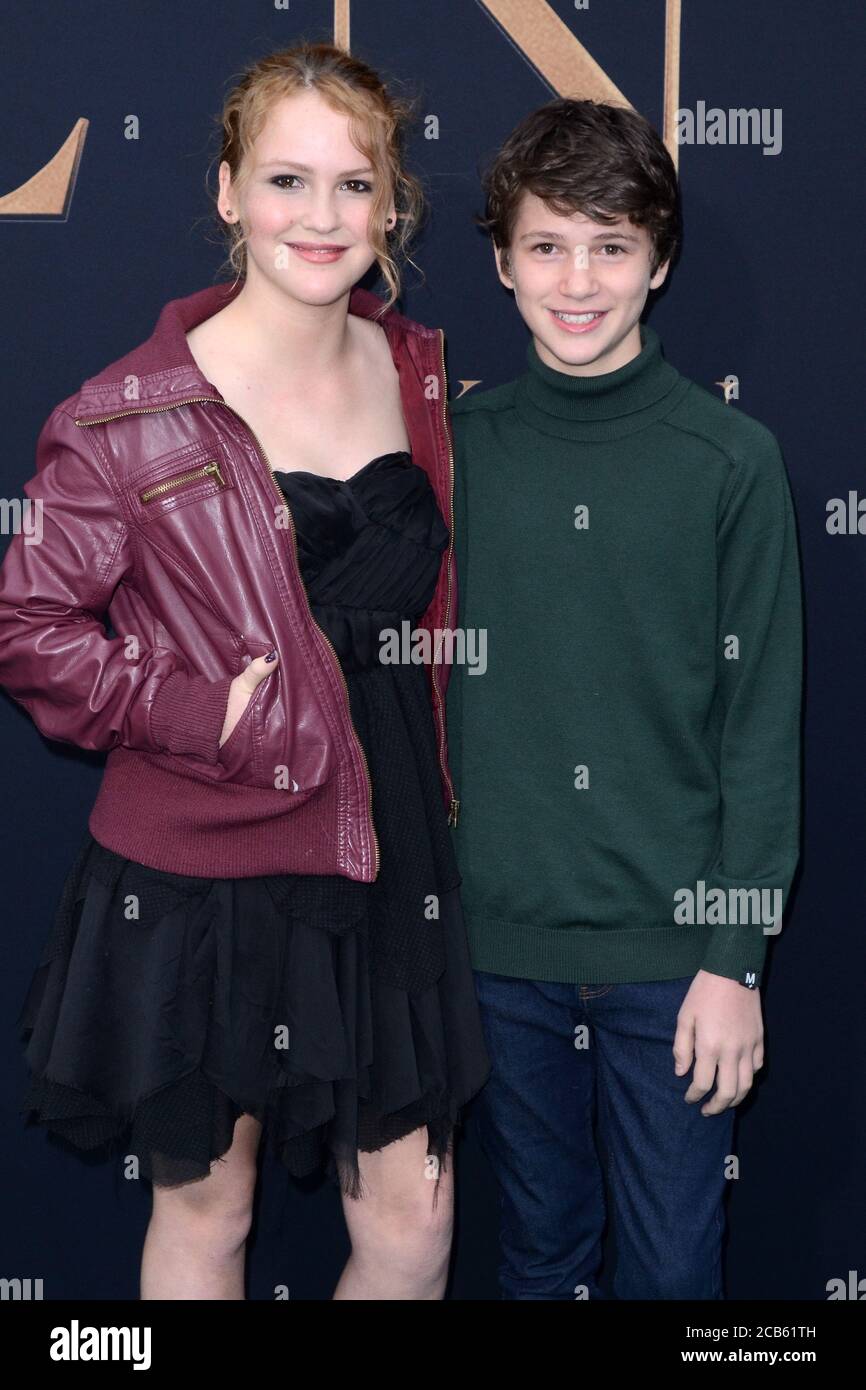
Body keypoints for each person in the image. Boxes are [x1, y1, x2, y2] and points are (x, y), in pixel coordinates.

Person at [0, 41, 489, 1301]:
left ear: (390, 202)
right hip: (200, 862)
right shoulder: (130, 410)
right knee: (206, 1219)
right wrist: (192, 709)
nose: (318, 218)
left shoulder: (417, 370)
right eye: (285, 180)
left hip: (383, 858)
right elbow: (29, 626)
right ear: (226, 192)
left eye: (351, 183)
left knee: (411, 1229)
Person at [446, 98, 803, 1300]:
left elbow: (759, 728)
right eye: (546, 245)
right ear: (501, 262)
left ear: (657, 259)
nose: (577, 279)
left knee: (670, 1276)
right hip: (494, 959)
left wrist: (734, 961)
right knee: (538, 1262)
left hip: (678, 962)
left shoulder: (728, 459)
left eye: (609, 245)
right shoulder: (452, 451)